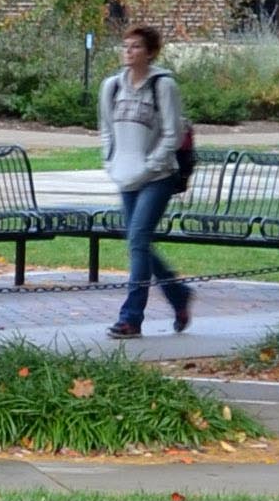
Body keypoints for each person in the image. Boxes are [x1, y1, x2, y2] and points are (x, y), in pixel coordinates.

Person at [98, 22, 192, 338]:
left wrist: (152, 164)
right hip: (126, 176)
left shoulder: (162, 86)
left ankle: (131, 318)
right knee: (139, 243)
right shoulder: (111, 86)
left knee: (137, 239)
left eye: (136, 46)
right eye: (126, 45)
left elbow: (173, 133)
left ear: (150, 52)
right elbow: (106, 129)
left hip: (158, 176)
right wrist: (109, 160)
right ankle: (178, 295)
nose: (129, 51)